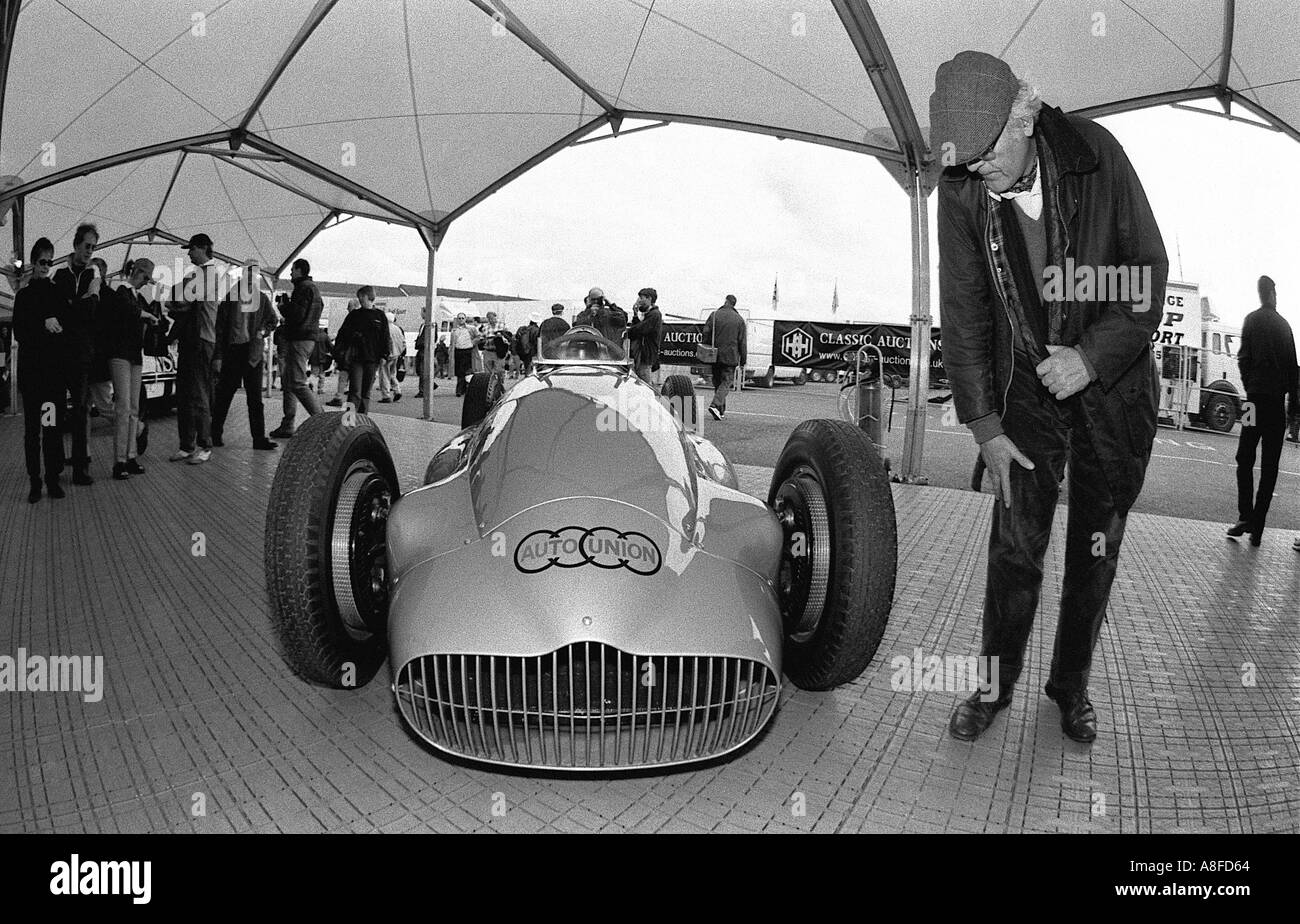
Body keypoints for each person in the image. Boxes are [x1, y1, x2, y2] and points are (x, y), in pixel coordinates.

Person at [931, 51, 1168, 744]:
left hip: (1112, 390)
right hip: (1026, 394)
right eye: (966, 162)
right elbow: (965, 307)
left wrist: (1091, 359)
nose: (980, 172)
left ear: (1025, 116)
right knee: (1014, 548)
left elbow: (1146, 279)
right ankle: (994, 687)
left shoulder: (1097, 154)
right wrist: (984, 425)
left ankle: (1070, 687)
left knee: (1096, 548)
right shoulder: (961, 187)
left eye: (988, 154)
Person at [1227, 276, 1298, 546]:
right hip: (1276, 406)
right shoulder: (1284, 326)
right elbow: (1293, 369)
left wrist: (1250, 385)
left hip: (1253, 402)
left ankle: (1245, 515)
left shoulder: (1251, 320)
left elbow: (1243, 358)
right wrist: (1293, 409)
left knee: (1244, 456)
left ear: (1260, 293)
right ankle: (1258, 525)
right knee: (1270, 466)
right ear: (1273, 293)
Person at [12, 238, 65, 501]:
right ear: (34, 263)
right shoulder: (24, 296)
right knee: (33, 431)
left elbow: (65, 329)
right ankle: (35, 481)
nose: (46, 266)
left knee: (51, 429)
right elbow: (20, 331)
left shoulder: (56, 293)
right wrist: (44, 324)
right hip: (33, 376)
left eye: (50, 262)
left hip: (52, 376)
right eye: (43, 261)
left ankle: (52, 479)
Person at [50, 222, 101, 484]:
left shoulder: (94, 275)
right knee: (56, 410)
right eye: (86, 246)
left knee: (81, 412)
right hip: (60, 353)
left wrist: (71, 306)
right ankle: (56, 464)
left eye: (93, 247)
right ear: (75, 245)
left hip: (81, 354)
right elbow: (58, 307)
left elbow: (91, 310)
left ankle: (81, 469)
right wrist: (75, 306)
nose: (89, 251)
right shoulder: (58, 274)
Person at [166, 232, 222, 464]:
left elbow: (180, 300)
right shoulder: (197, 275)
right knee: (185, 394)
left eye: (191, 249)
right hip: (192, 340)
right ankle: (187, 445)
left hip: (201, 339)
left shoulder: (209, 274)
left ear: (201, 248)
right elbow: (176, 296)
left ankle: (204, 446)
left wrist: (177, 300)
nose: (189, 253)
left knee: (199, 394)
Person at [211, 261, 279, 450]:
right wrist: (218, 356)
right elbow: (220, 328)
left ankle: (258, 439)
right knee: (224, 395)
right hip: (233, 351)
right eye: (249, 272)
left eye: (255, 273)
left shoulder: (262, 299)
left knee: (255, 399)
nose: (251, 276)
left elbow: (273, 320)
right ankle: (214, 433)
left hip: (253, 353)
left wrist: (262, 332)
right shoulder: (231, 297)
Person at [106, 258, 158, 480]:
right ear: (136, 273)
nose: (145, 282)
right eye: (145, 277)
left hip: (134, 356)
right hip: (120, 355)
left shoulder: (138, 298)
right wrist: (145, 315)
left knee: (134, 408)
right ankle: (119, 461)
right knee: (124, 408)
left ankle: (131, 455)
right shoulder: (122, 291)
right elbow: (127, 310)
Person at [269, 258, 324, 438]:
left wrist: (284, 307)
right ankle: (287, 424)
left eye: (293, 269)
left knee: (297, 382)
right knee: (289, 382)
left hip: (299, 338)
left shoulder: (303, 288)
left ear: (300, 270)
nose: (291, 273)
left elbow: (297, 315)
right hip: (306, 338)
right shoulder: (312, 288)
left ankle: (323, 422)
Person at [333, 285, 389, 412]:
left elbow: (385, 337)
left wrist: (384, 355)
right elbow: (342, 334)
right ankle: (349, 421)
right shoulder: (354, 315)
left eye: (362, 296)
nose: (360, 299)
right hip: (356, 357)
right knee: (355, 391)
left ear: (368, 296)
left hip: (372, 358)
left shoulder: (380, 316)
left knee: (366, 392)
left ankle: (362, 420)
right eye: (359, 297)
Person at [702, 294, 746, 420]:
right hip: (730, 356)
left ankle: (720, 412)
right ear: (734, 304)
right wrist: (743, 360)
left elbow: (705, 333)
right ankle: (715, 405)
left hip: (714, 354)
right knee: (726, 382)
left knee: (718, 382)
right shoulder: (739, 320)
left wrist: (707, 347)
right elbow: (742, 342)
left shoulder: (714, 315)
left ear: (725, 301)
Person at [86, 256, 116, 422]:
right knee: (83, 409)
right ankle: (84, 448)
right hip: (88, 361)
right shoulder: (86, 294)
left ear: (102, 273)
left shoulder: (108, 296)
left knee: (105, 407)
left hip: (99, 360)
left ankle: (137, 428)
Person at [626, 287, 664, 383]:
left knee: (644, 383)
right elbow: (639, 327)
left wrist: (628, 331)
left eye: (642, 298)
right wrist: (635, 315)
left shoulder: (655, 314)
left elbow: (640, 330)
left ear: (649, 299)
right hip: (642, 355)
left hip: (646, 355)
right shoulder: (649, 315)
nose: (639, 301)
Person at [326, 298, 358, 407]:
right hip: (355, 354)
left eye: (349, 306)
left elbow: (342, 337)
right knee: (353, 378)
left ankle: (338, 397)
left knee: (343, 377)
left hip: (347, 354)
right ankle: (351, 400)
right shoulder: (359, 319)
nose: (347, 308)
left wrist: (338, 352)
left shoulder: (351, 319)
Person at [378, 312, 405, 402]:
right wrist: (399, 351)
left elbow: (384, 342)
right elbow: (403, 342)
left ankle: (386, 395)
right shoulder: (397, 329)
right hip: (396, 354)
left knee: (384, 374)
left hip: (387, 354)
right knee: (393, 374)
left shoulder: (384, 329)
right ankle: (397, 390)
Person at [451, 312, 475, 395]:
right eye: (459, 318)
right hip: (458, 351)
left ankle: (467, 389)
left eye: (462, 318)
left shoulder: (471, 328)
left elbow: (478, 337)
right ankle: (460, 389)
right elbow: (453, 342)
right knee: (459, 371)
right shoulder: (454, 330)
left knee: (468, 371)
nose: (461, 320)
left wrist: (472, 343)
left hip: (468, 351)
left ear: (465, 319)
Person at [309, 320, 332, 394]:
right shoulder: (325, 335)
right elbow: (330, 346)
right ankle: (320, 389)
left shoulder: (312, 335)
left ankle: (310, 383)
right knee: (322, 374)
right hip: (322, 357)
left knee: (313, 373)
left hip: (313, 357)